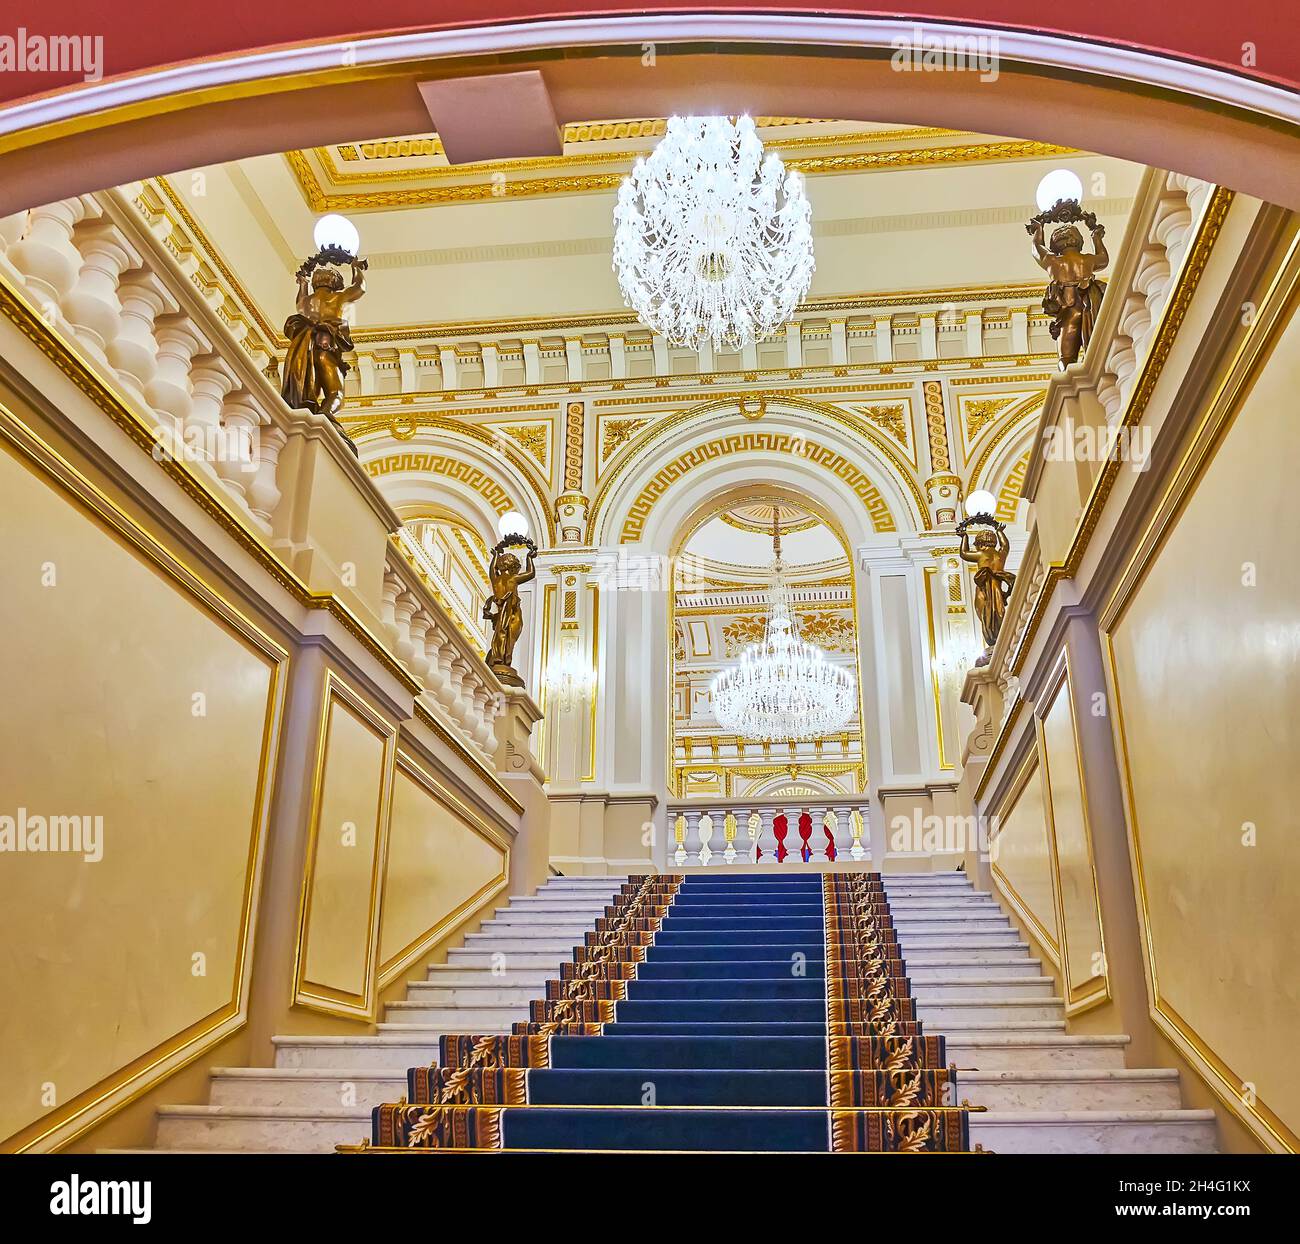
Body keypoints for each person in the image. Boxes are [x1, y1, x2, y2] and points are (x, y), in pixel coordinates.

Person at [281, 261, 365, 423]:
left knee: (308, 389)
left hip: (305, 350)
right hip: (326, 349)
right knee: (336, 393)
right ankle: (324, 417)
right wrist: (356, 267)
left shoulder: (306, 302)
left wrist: (303, 282)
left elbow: (300, 304)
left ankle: (312, 419)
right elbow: (360, 287)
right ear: (335, 282)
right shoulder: (338, 297)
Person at [1030, 219, 1108, 366]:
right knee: (1096, 352)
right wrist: (1096, 236)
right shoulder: (1088, 259)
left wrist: (1038, 230)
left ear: (1055, 245)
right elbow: (1104, 259)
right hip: (1090, 305)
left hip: (1068, 310)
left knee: (1065, 358)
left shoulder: (1052, 260)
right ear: (1078, 240)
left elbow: (1036, 247)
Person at [482, 541, 537, 685]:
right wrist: (529, 557)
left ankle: (500, 660)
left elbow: (492, 570)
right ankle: (504, 661)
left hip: (501, 615)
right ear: (512, 566)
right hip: (512, 615)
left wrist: (495, 555)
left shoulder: (496, 579)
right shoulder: (513, 579)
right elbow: (531, 573)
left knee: (501, 635)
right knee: (509, 638)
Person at [959, 522, 1016, 653]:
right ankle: (997, 639)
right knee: (998, 612)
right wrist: (1000, 531)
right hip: (997, 590)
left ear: (980, 543)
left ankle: (992, 639)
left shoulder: (981, 554)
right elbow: (1005, 545)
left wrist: (964, 537)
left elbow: (963, 553)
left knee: (984, 614)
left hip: (984, 589)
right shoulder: (1000, 554)